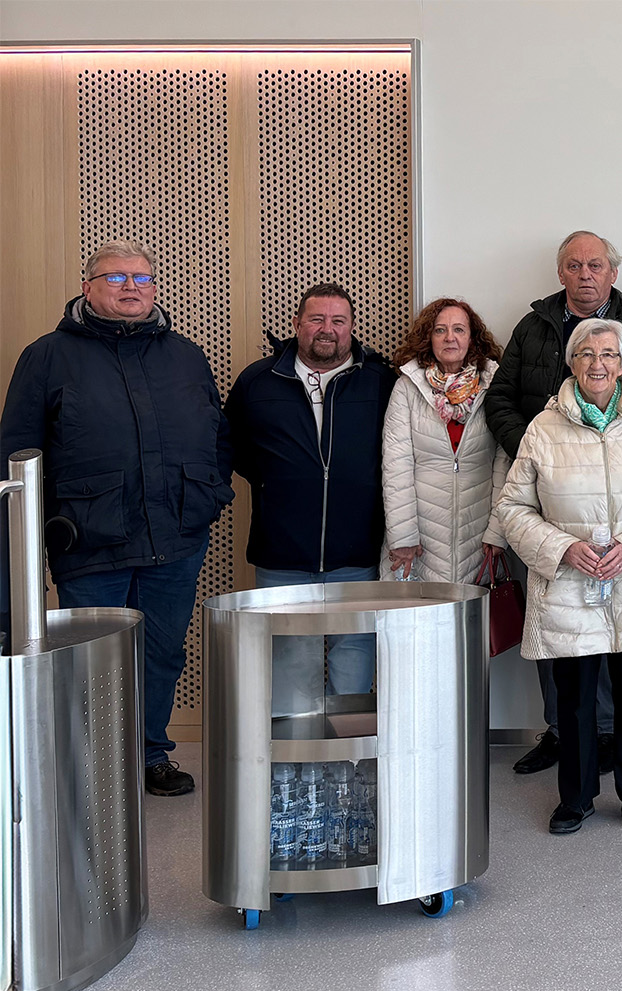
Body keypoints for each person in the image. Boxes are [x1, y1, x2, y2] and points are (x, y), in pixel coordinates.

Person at [0, 240, 230, 796]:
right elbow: (17, 454)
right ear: (88, 287)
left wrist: (210, 494)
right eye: (117, 278)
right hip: (89, 539)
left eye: (143, 279)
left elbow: (216, 436)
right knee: (93, 660)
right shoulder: (47, 355)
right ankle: (99, 766)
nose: (132, 288)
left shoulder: (184, 354)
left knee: (162, 651)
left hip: (175, 537)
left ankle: (151, 754)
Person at [493, 318, 622, 834]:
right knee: (576, 700)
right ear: (571, 362)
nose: (597, 363)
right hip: (569, 584)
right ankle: (576, 797)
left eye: (608, 353)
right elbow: (514, 507)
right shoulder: (543, 427)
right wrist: (563, 549)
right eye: (586, 353)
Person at [488, 231, 622, 778]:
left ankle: (610, 740)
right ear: (561, 274)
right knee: (561, 632)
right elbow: (501, 398)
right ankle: (566, 733)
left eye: (596, 265)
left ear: (612, 274)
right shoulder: (533, 327)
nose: (586, 274)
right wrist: (541, 452)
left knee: (621, 638)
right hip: (556, 508)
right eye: (574, 265)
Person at [226, 283, 396, 712]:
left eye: (338, 321)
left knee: (354, 657)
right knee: (291, 660)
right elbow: (235, 451)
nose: (327, 329)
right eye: (317, 319)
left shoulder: (379, 380)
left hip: (357, 554)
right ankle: (296, 768)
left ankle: (346, 764)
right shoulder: (258, 380)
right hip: (282, 554)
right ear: (298, 324)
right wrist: (281, 484)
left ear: (352, 328)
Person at [381, 298, 507, 588]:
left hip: (479, 535)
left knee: (473, 630)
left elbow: (505, 463)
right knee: (420, 627)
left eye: (459, 329)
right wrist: (403, 537)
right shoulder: (407, 387)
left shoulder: (494, 384)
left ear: (472, 338)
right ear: (429, 338)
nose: (450, 337)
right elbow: (396, 466)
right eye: (440, 330)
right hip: (420, 540)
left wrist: (498, 532)